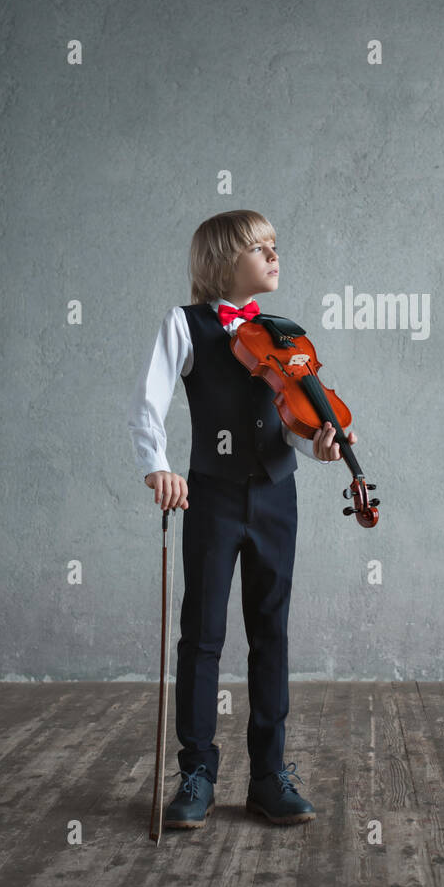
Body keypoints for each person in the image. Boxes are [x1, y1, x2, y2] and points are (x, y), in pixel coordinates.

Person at [126, 209, 356, 828]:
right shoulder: (186, 324)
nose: (275, 256)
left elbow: (295, 419)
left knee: (270, 633)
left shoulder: (286, 334)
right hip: (212, 496)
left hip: (277, 499)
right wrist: (159, 465)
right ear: (226, 261)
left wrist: (321, 445)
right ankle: (196, 772)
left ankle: (268, 777)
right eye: (261, 248)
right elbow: (148, 401)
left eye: (275, 246)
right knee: (202, 635)